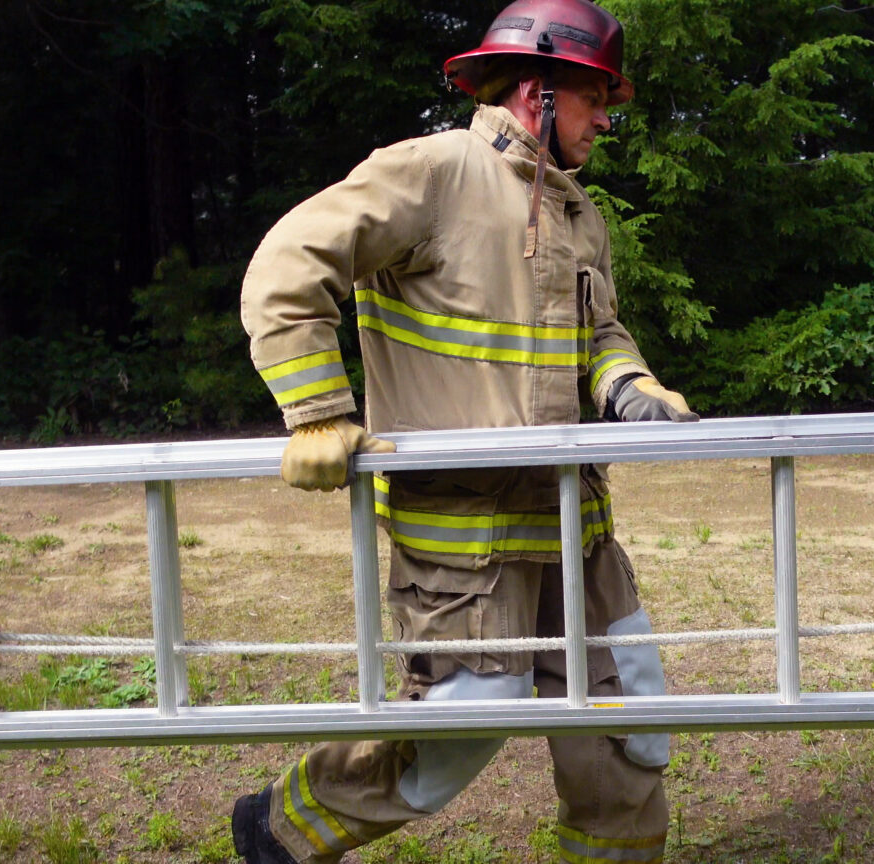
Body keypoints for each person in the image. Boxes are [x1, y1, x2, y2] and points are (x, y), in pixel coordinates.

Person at [233, 2, 696, 862]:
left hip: (577, 531)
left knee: (632, 723)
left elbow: (597, 333)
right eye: (595, 97)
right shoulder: (433, 171)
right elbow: (286, 269)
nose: (606, 117)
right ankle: (280, 831)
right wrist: (319, 411)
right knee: (456, 734)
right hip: (465, 542)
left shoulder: (578, 214)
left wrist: (628, 384)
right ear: (537, 93)